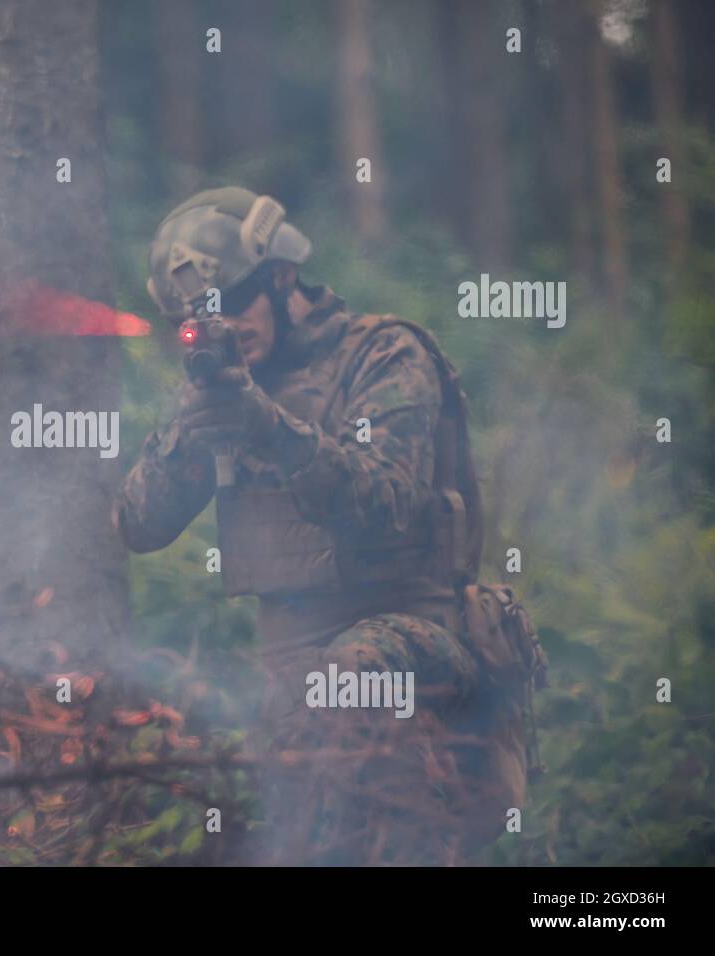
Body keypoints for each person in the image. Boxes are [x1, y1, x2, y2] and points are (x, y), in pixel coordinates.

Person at [113, 187, 535, 864]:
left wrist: (269, 428)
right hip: (291, 668)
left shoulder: (385, 355)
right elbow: (138, 524)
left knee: (346, 676)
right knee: (192, 736)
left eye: (238, 299)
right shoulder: (222, 385)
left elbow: (389, 502)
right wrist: (193, 426)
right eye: (202, 317)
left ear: (282, 277)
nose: (229, 324)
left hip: (421, 640)